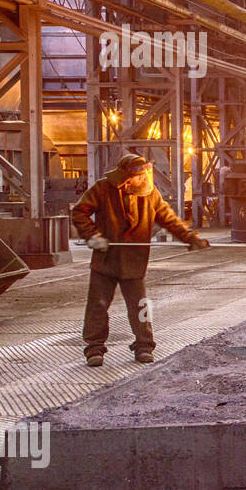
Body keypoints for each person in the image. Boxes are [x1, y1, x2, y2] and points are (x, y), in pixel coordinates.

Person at [70, 154, 210, 367]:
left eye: (144, 175)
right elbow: (80, 212)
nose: (142, 179)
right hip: (105, 260)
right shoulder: (103, 189)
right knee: (97, 306)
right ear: (126, 176)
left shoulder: (149, 194)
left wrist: (190, 238)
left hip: (134, 261)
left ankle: (144, 346)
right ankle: (94, 349)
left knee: (140, 306)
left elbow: (168, 218)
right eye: (138, 176)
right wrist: (93, 237)